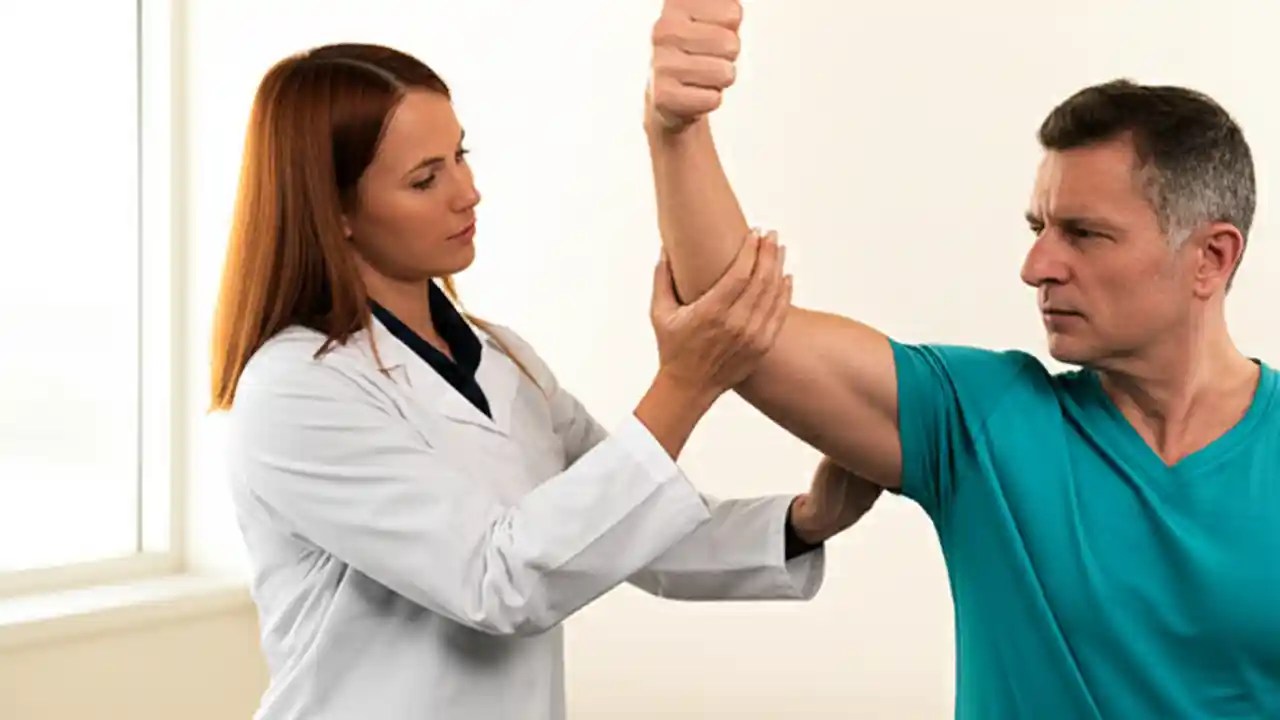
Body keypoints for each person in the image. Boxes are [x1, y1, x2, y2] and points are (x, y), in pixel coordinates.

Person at [208, 42, 881, 720]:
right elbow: (498, 582)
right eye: (424, 179)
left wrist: (806, 520)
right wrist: (686, 383)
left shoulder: (502, 359)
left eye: (461, 156)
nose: (468, 193)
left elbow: (627, 527)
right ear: (337, 210)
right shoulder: (296, 392)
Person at [645, 1, 1280, 718]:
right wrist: (677, 129)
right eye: (1040, 228)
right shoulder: (988, 419)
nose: (1037, 265)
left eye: (1085, 234)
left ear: (1211, 258)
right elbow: (743, 325)